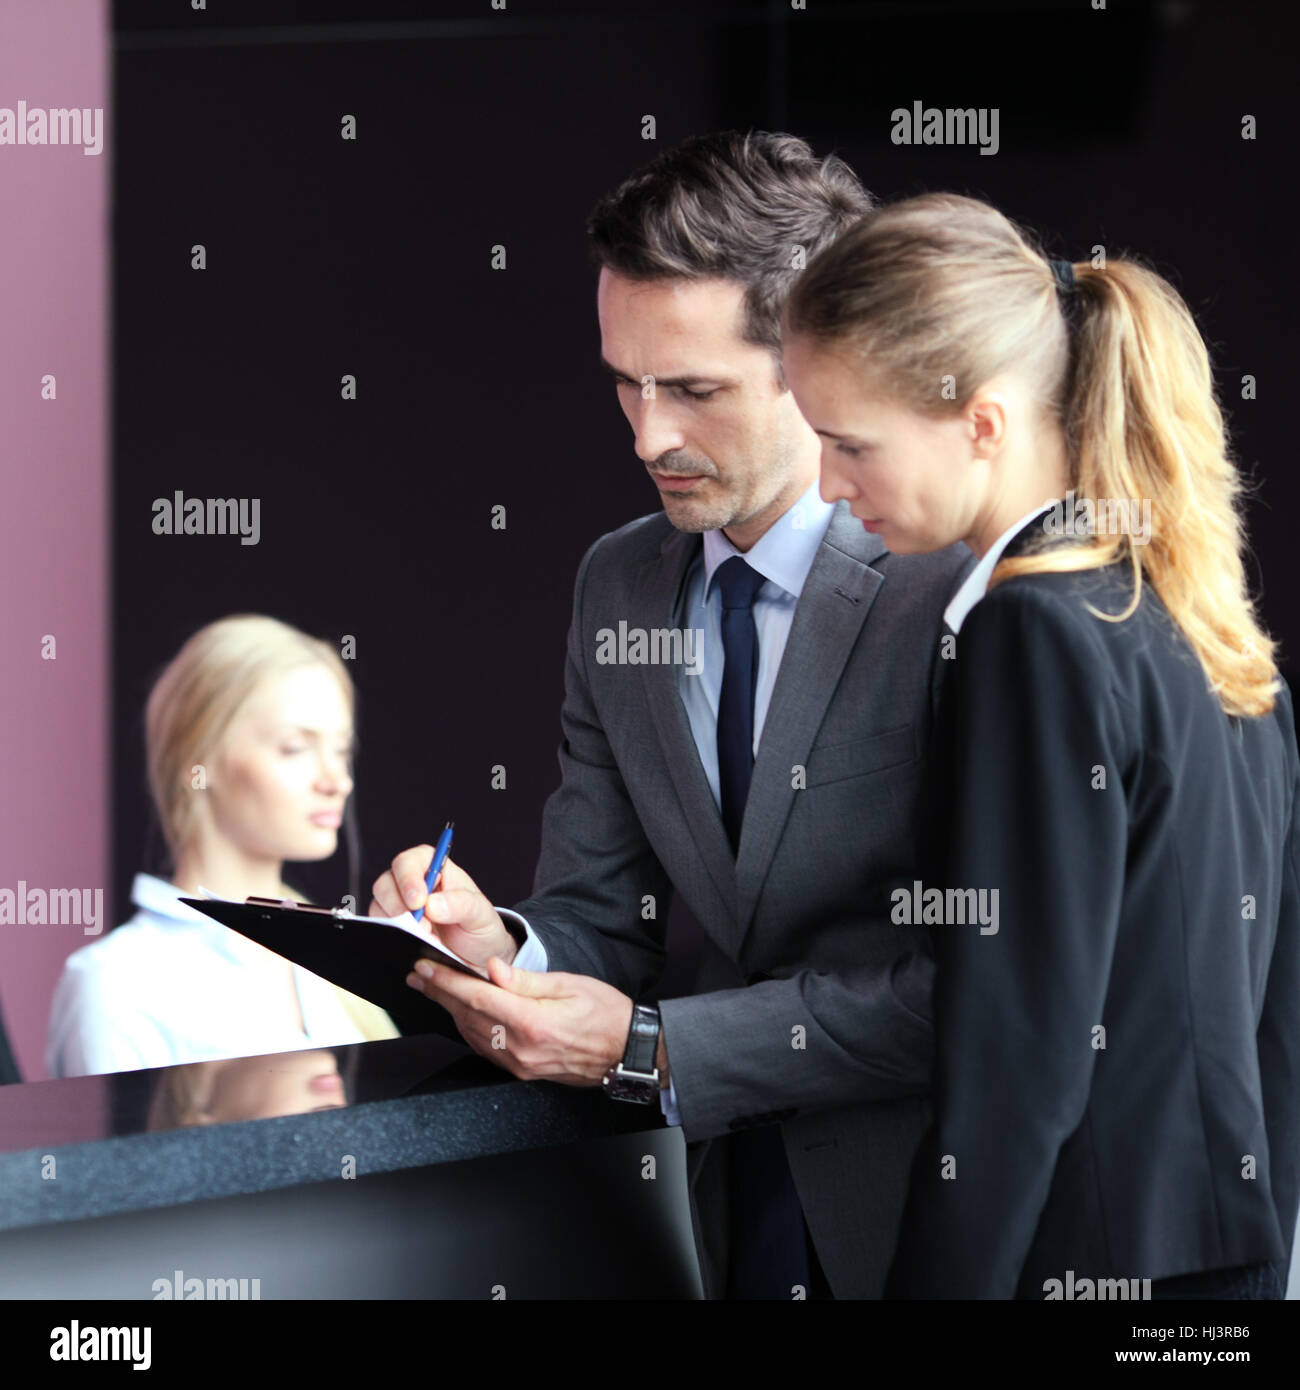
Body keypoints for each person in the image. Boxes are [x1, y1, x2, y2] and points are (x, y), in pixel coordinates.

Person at [371, 131, 973, 1299]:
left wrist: (655, 1050)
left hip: (944, 1216)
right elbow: (604, 908)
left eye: (693, 390)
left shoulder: (953, 579)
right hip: (721, 1215)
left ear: (822, 360)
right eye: (622, 381)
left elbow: (989, 983)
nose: (646, 436)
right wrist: (505, 948)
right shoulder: (618, 581)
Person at [780, 192, 1300, 1299]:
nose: (828, 484)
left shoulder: (1028, 632)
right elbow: (1276, 1017)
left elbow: (1019, 1055)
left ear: (982, 422)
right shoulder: (1202, 617)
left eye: (848, 443)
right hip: (1228, 1258)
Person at [47, 614, 398, 1078]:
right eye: (295, 747)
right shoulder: (116, 986)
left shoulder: (341, 955)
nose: (339, 780)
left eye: (340, 750)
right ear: (200, 760)